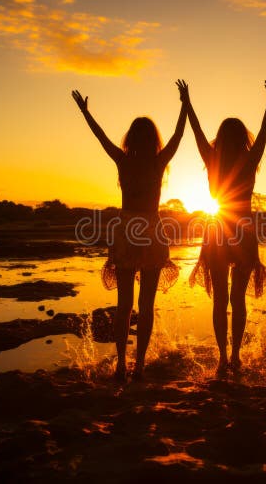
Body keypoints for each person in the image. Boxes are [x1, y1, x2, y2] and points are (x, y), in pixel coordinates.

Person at [71, 82, 188, 381]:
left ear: (131, 139)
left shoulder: (123, 160)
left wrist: (86, 112)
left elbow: (101, 137)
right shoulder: (158, 162)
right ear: (153, 140)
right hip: (149, 230)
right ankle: (139, 365)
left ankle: (122, 364)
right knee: (145, 306)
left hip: (127, 230)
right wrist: (185, 104)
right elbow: (177, 137)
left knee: (124, 306)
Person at [182, 79, 266, 376]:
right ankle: (234, 354)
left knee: (222, 298)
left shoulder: (212, 159)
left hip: (218, 229)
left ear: (220, 138)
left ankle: (224, 356)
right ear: (241, 139)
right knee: (236, 298)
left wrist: (186, 102)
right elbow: (263, 134)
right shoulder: (249, 160)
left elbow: (196, 132)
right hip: (243, 229)